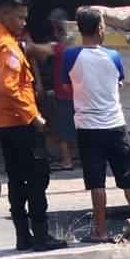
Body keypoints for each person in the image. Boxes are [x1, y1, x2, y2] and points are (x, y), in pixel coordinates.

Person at [0, 0, 66, 251]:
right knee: (37, 178)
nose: (24, 22)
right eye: (20, 17)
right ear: (4, 13)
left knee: (16, 179)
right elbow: (10, 87)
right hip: (21, 123)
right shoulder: (6, 45)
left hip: (3, 121)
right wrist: (33, 117)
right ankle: (40, 236)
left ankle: (23, 236)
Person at [62, 7, 130, 244]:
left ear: (80, 29)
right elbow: (118, 83)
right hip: (116, 125)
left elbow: (67, 87)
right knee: (128, 179)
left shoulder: (70, 56)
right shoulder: (113, 56)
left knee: (96, 182)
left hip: (88, 128)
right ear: (100, 28)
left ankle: (101, 231)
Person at [47, 9, 74, 170]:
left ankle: (67, 161)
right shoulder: (74, 43)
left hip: (64, 93)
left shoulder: (60, 47)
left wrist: (27, 43)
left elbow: (38, 49)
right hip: (76, 92)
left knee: (62, 129)